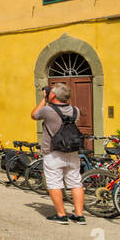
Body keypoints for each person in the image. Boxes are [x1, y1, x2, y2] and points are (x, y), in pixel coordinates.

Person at [33, 84, 87, 223]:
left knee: (54, 183)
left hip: (53, 152)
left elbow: (34, 115)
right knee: (76, 182)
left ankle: (61, 214)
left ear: (53, 95)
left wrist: (44, 99)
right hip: (72, 151)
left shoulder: (47, 110)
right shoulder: (75, 110)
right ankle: (79, 214)